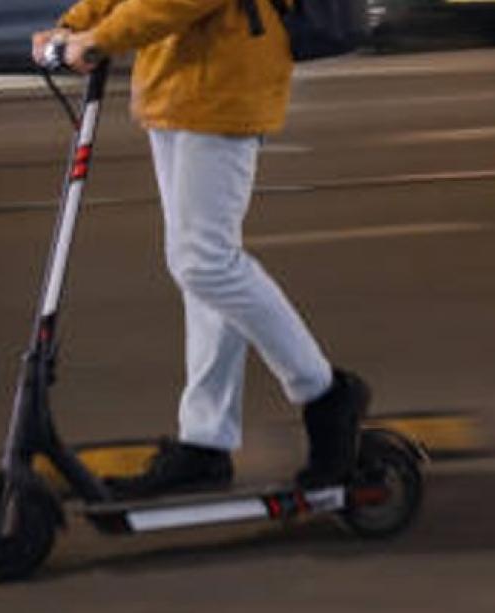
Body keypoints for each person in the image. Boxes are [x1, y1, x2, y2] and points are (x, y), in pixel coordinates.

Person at [32, 0, 370, 497]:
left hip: (225, 82)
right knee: (202, 268)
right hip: (176, 83)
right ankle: (206, 441)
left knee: (206, 263)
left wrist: (100, 39)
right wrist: (75, 24)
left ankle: (326, 393)